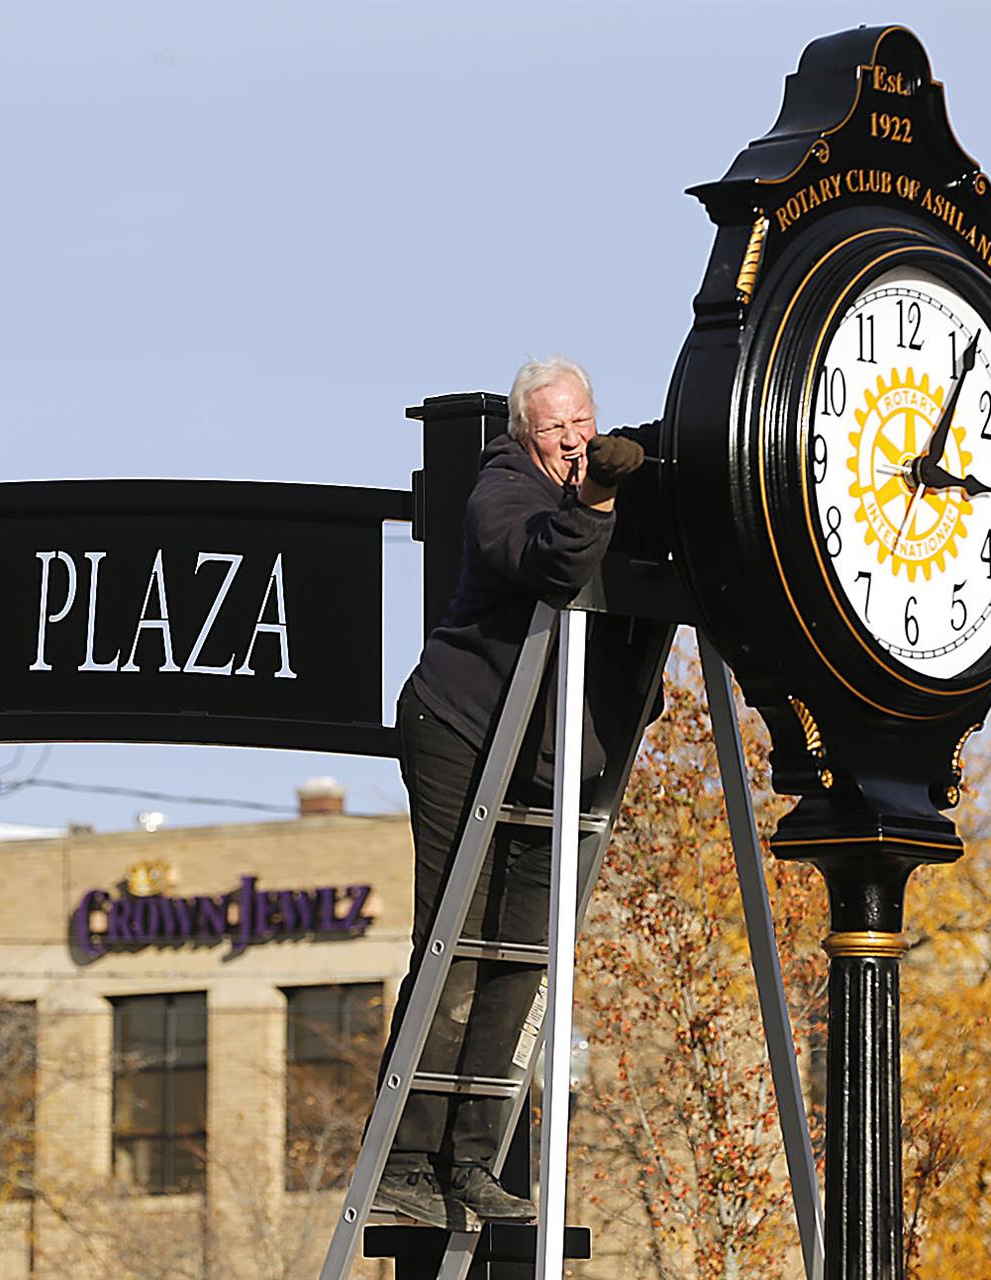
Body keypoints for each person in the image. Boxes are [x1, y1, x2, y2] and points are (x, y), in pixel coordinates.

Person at [372, 355, 644, 1228]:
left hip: (546, 759)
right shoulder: (502, 492)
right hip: (462, 733)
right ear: (525, 434)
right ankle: (403, 1161)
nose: (573, 440)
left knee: (522, 957)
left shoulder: (608, 478)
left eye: (582, 423)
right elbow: (553, 563)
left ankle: (469, 1162)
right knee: (455, 941)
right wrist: (596, 496)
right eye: (555, 427)